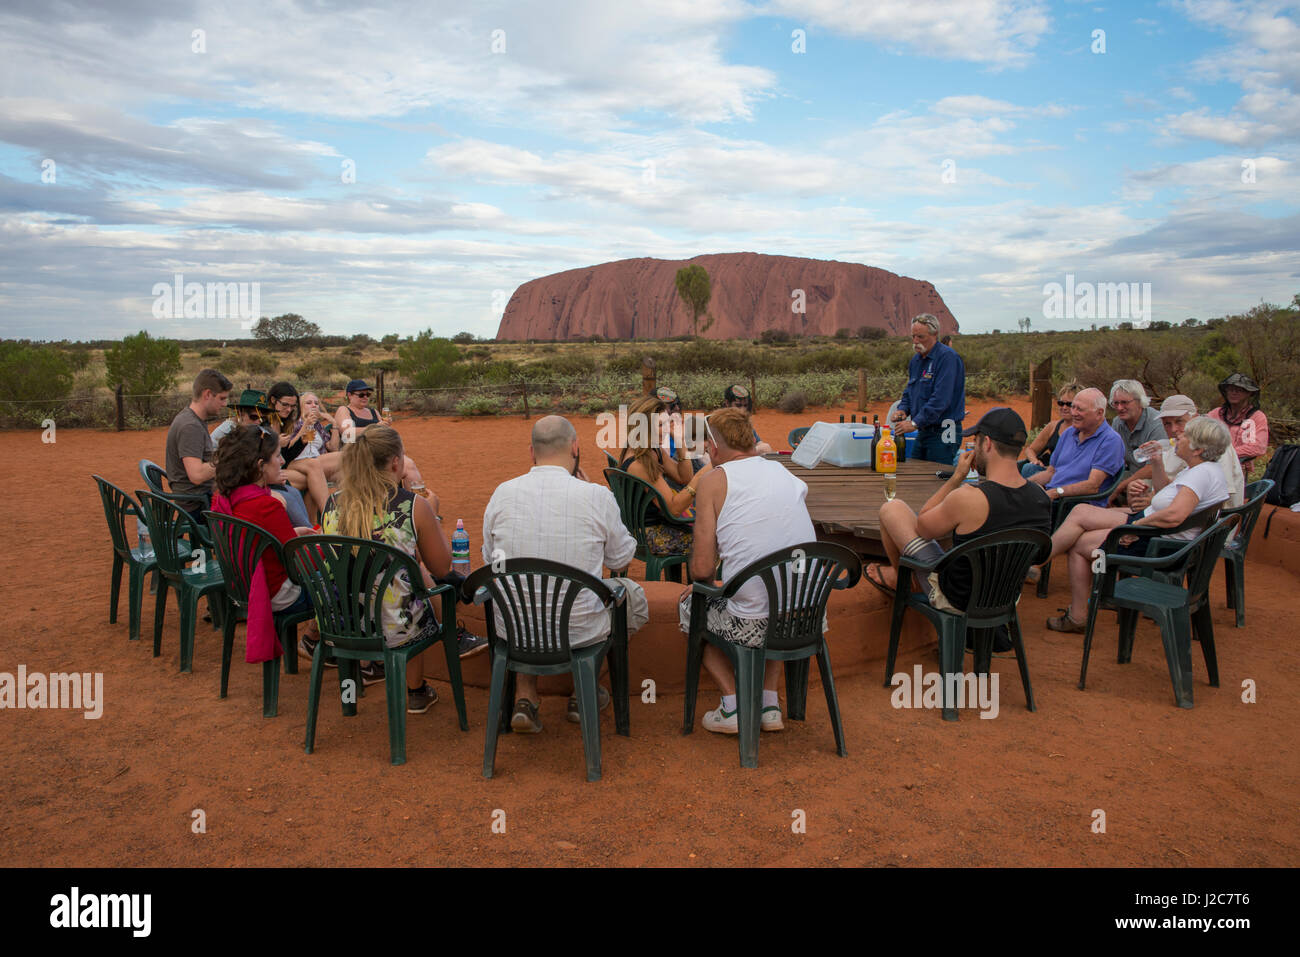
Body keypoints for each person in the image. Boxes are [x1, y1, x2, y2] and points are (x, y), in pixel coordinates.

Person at [481, 415, 650, 733]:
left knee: (523, 591)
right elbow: (621, 556)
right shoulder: (596, 496)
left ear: (531, 452)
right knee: (631, 595)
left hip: (514, 633)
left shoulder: (502, 493)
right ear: (575, 447)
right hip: (580, 631)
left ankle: (525, 698)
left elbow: (491, 560)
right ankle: (580, 693)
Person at [319, 425, 485, 713]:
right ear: (396, 462)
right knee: (408, 593)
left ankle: (349, 701)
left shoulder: (333, 503)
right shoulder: (412, 506)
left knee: (399, 580)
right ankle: (416, 692)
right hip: (394, 626)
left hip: (342, 622)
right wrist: (430, 512)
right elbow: (442, 566)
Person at [676, 407, 817, 734]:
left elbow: (701, 571)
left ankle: (733, 705)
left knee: (691, 605)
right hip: (805, 615)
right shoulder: (783, 472)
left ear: (712, 448)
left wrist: (708, 583)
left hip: (753, 623)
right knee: (775, 591)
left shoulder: (714, 480)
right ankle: (769, 704)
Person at [1035, 416, 1231, 633]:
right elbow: (1167, 492)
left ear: (1197, 449)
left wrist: (1138, 525)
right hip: (1159, 531)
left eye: (1185, 435)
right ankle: (1036, 562)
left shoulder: (1200, 475)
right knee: (1080, 512)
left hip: (1159, 544)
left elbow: (1175, 515)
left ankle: (1075, 613)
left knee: (1080, 546)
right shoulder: (1202, 469)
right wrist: (1156, 462)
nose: (1178, 436)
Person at [865, 409, 1051, 634]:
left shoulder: (969, 498)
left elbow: (922, 527)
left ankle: (905, 582)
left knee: (892, 509)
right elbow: (1040, 556)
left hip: (959, 600)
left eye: (976, 440)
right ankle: (905, 579)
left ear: (988, 444)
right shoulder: (1041, 496)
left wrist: (955, 478)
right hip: (1006, 598)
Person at [209, 424, 320, 648]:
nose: (281, 462)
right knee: (342, 580)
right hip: (279, 594)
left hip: (242, 587)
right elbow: (300, 564)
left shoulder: (222, 497)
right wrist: (329, 546)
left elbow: (261, 539)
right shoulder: (266, 506)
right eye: (277, 456)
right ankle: (320, 644)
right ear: (260, 466)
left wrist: (292, 534)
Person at [620, 395, 711, 557]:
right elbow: (674, 508)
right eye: (659, 425)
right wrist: (704, 474)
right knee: (714, 542)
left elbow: (683, 477)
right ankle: (708, 582)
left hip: (659, 525)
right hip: (652, 535)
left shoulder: (650, 449)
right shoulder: (640, 463)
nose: (666, 429)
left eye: (666, 423)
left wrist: (680, 441)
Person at [210, 389, 313, 527]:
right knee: (289, 497)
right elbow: (230, 472)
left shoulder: (256, 430)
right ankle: (307, 539)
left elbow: (271, 461)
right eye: (254, 417)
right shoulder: (227, 433)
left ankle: (308, 533)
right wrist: (266, 490)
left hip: (257, 482)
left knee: (293, 491)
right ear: (240, 413)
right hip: (235, 488)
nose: (258, 421)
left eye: (262, 418)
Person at [1125, 396, 1244, 510]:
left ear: (1195, 418)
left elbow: (1218, 498)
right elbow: (1164, 489)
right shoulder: (1172, 449)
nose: (1173, 430)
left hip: (1210, 521)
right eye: (1167, 424)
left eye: (1179, 421)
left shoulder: (1214, 444)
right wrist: (1138, 487)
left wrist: (1153, 502)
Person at [1028, 387, 1126, 506]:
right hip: (1052, 497)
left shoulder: (1110, 441)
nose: (1073, 413)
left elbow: (1092, 486)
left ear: (1099, 413)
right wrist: (1024, 485)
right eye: (1073, 407)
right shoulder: (1069, 433)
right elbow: (1050, 473)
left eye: (1079, 409)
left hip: (1075, 503)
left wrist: (1056, 492)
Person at [891, 313, 966, 465]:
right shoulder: (916, 360)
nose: (915, 341)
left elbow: (941, 399)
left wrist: (913, 423)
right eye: (913, 337)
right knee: (916, 471)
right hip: (924, 429)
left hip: (944, 430)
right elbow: (909, 391)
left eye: (920, 337)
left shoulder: (947, 358)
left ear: (935, 334)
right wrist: (903, 409)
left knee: (936, 476)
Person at [333, 379, 427, 491]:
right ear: (349, 395)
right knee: (406, 464)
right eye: (361, 394)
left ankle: (412, 501)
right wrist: (376, 427)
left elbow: (386, 436)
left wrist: (388, 430)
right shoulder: (344, 410)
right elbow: (347, 434)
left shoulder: (374, 412)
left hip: (379, 454)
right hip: (358, 454)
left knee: (408, 464)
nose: (365, 397)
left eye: (367, 394)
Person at [164, 368, 232, 519]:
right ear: (207, 394)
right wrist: (230, 460)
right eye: (222, 398)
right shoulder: (190, 426)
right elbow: (197, 475)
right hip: (197, 505)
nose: (225, 404)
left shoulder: (192, 419)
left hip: (201, 496)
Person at [1108, 380, 1166, 491]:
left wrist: (1119, 488)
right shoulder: (1118, 423)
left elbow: (1151, 468)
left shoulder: (1156, 424)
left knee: (1136, 487)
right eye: (1116, 403)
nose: (1119, 408)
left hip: (1155, 479)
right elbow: (1114, 457)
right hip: (1132, 474)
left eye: (1124, 402)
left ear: (1140, 401)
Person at [1020, 380, 1082, 478]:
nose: (1064, 407)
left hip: (1070, 474)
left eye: (1069, 404)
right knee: (1028, 468)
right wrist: (1035, 461)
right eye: (1061, 403)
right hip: (1049, 471)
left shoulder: (1084, 429)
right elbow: (1030, 449)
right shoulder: (1053, 426)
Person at [1208, 373, 1269, 468]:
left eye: (1239, 390)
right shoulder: (1216, 414)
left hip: (1238, 468)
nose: (1234, 392)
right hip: (1209, 464)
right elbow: (1198, 432)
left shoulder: (1257, 417)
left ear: (1249, 393)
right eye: (1230, 389)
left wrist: (1225, 454)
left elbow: (1258, 447)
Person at [723, 384, 774, 455]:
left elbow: (758, 442)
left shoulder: (744, 422)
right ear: (727, 403)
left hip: (742, 457)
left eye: (745, 405)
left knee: (765, 447)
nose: (743, 410)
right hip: (726, 458)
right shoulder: (719, 422)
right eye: (738, 405)